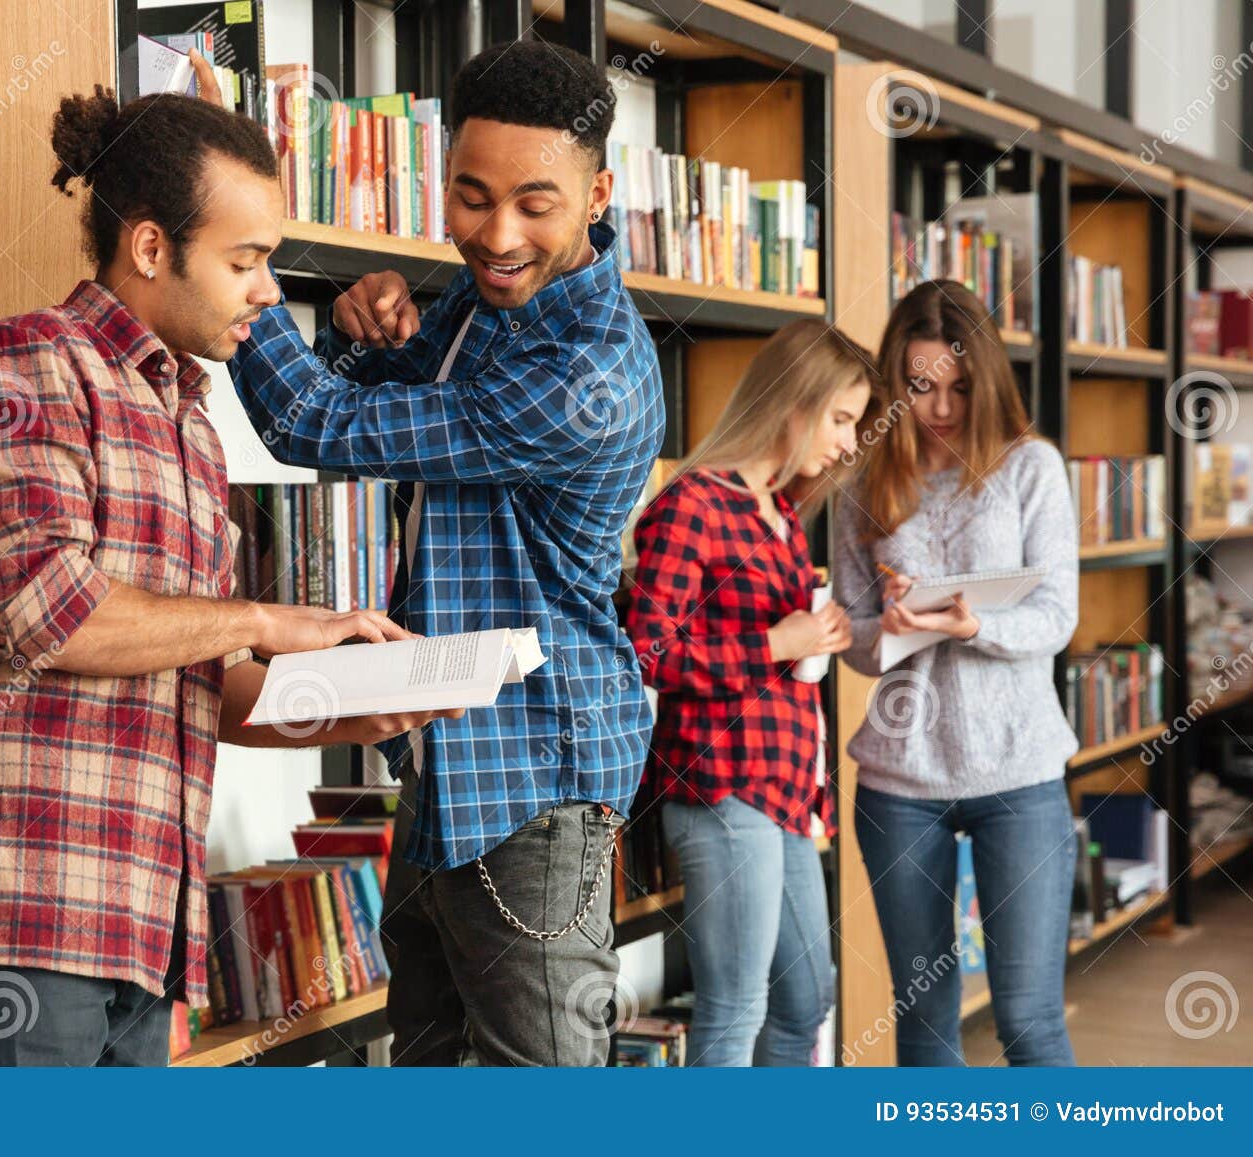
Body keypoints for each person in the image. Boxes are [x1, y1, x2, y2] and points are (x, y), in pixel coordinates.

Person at [0, 89, 455, 1067]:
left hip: (148, 922)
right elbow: (50, 615)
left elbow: (194, 671)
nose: (268, 291)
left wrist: (346, 710)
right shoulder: (21, 370)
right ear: (151, 248)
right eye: (244, 260)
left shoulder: (188, 422)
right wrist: (277, 618)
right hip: (21, 915)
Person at [205, 41, 665, 1065]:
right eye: (470, 196)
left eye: (535, 204)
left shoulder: (587, 376)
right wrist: (365, 325)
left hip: (532, 776)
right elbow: (370, 395)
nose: (496, 235)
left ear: (598, 194)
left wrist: (235, 253)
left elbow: (312, 424)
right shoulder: (487, 301)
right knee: (424, 1061)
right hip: (447, 760)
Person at [834, 279, 1080, 1066]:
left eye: (959, 387)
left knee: (1029, 1019)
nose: (939, 408)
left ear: (988, 381)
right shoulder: (863, 480)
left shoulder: (1031, 467)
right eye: (919, 387)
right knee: (927, 1021)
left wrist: (973, 623)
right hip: (901, 781)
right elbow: (853, 636)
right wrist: (892, 630)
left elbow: (1056, 618)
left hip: (1020, 770)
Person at [627, 319, 872, 1066]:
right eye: (840, 419)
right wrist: (777, 643)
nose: (850, 442)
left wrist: (816, 635)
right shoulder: (695, 503)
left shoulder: (783, 515)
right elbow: (648, 651)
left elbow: (785, 643)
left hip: (788, 789)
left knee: (806, 998)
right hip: (723, 790)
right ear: (792, 404)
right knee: (735, 1011)